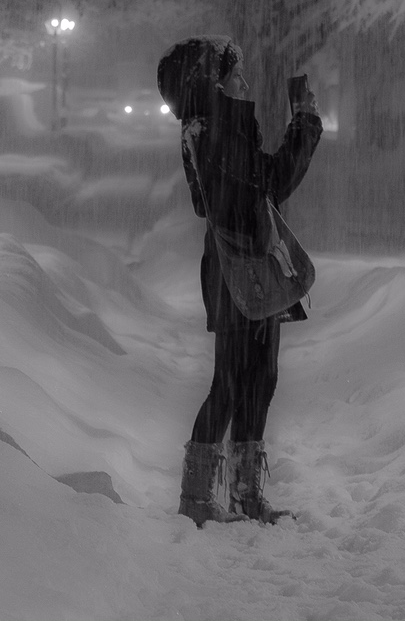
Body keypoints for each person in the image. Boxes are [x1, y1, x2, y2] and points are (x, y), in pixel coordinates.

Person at [156, 35, 323, 527]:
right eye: (235, 75)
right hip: (240, 270)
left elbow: (249, 187)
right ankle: (199, 498)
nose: (244, 83)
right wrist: (305, 127)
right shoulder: (216, 130)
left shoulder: (207, 129)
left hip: (245, 266)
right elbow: (270, 181)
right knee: (232, 384)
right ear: (211, 81)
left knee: (258, 380)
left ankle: (243, 495)